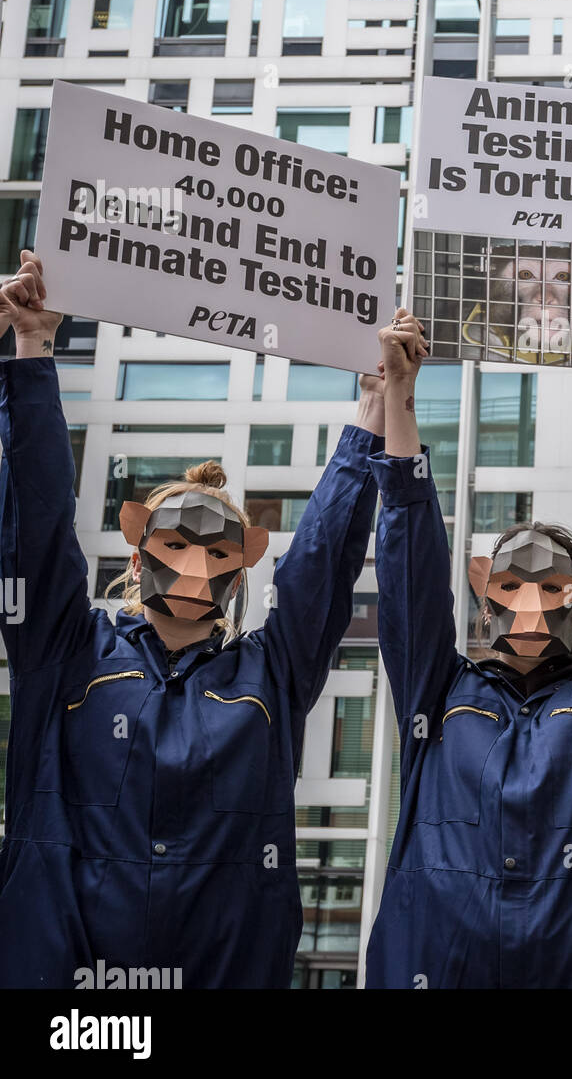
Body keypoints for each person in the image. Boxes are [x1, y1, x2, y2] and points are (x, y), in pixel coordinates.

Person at [0, 250, 385, 988]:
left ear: (242, 572)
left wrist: (372, 405)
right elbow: (38, 527)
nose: (195, 568)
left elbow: (323, 567)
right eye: (174, 546)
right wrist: (33, 348)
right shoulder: (66, 651)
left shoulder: (270, 673)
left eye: (217, 554)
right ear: (138, 557)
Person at [366, 307, 572, 988]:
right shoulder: (439, 693)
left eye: (553, 588)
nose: (531, 605)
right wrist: (400, 395)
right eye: (510, 585)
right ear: (483, 592)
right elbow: (408, 567)